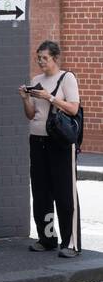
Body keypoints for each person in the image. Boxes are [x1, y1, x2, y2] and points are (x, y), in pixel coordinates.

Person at [22, 40, 82, 257]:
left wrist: (49, 97)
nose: (40, 62)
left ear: (55, 58)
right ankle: (47, 238)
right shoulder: (36, 80)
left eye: (44, 58)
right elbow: (31, 114)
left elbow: (73, 109)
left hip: (60, 144)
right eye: (38, 58)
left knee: (65, 193)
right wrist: (26, 99)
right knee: (41, 192)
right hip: (37, 141)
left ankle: (71, 244)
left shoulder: (67, 78)